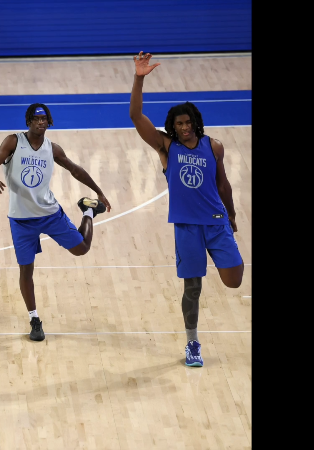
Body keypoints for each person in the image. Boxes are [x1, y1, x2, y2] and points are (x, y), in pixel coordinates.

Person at [128, 52, 244, 367]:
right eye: (179, 123)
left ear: (195, 122)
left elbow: (223, 186)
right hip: (187, 227)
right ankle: (192, 342)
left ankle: (224, 253)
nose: (184, 127)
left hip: (217, 222)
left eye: (188, 122)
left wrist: (231, 216)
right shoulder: (166, 147)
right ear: (173, 127)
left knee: (235, 280)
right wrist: (139, 78)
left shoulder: (213, 146)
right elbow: (137, 117)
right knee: (192, 287)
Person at [0, 104, 112, 342]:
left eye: (44, 119)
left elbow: (75, 169)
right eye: (36, 118)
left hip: (49, 214)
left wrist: (98, 191)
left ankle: (88, 212)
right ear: (29, 121)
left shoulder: (52, 149)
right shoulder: (13, 142)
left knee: (82, 249)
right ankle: (34, 319)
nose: (40, 122)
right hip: (21, 220)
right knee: (26, 270)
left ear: (49, 122)